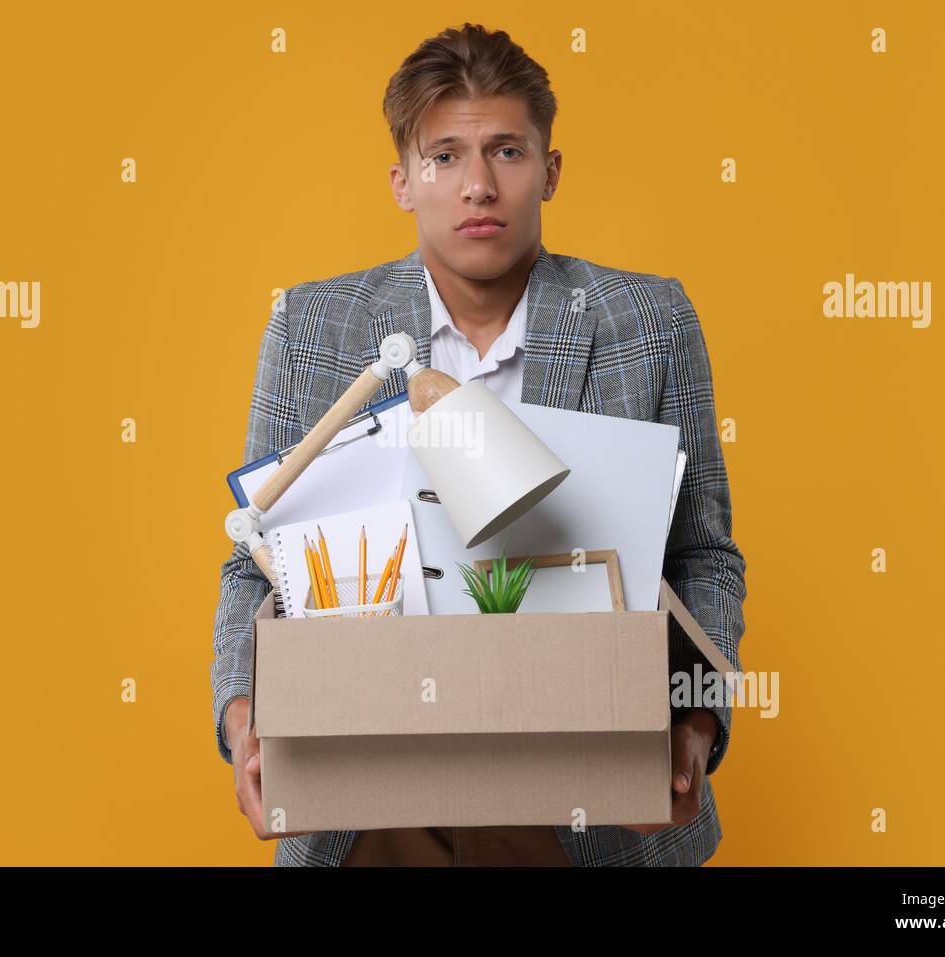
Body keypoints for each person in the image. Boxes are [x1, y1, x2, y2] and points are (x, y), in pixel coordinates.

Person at [213, 22, 747, 867]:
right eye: (445, 157)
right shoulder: (316, 327)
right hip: (370, 804)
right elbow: (255, 560)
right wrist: (244, 718)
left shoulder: (647, 322)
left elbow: (704, 557)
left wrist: (695, 719)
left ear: (550, 170)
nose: (478, 186)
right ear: (402, 181)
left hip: (585, 807)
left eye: (506, 151)